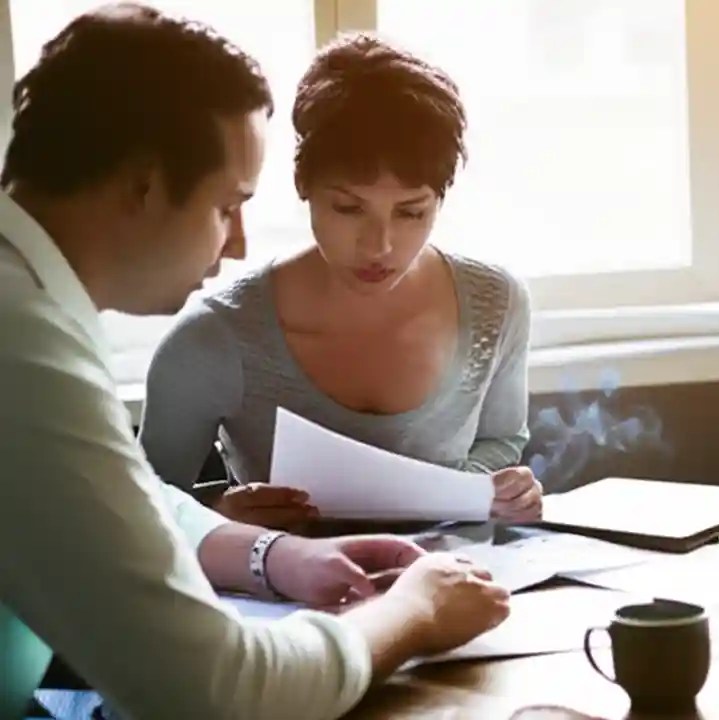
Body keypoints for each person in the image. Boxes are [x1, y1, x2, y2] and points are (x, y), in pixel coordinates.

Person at [0, 5, 509, 719]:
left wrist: (271, 555)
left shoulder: (24, 305)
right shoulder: (22, 349)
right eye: (227, 205)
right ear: (142, 187)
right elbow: (219, 693)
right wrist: (414, 614)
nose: (238, 244)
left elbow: (106, 500)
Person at [138, 32, 541, 531]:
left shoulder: (497, 303)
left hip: (451, 582)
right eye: (348, 208)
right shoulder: (212, 339)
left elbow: (502, 440)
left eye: (412, 212)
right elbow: (138, 513)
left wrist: (492, 490)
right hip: (279, 595)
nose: (380, 246)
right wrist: (215, 516)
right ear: (303, 185)